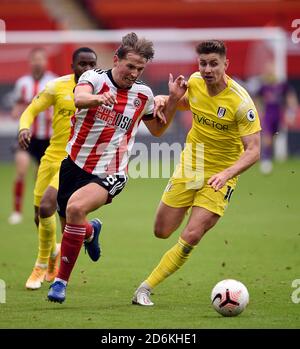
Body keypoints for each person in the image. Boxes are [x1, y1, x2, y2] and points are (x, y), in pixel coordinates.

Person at [46, 32, 183, 303]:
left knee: (75, 209)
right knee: (72, 224)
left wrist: (175, 100)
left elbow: (157, 130)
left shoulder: (143, 95)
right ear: (116, 59)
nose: (134, 73)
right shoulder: (93, 79)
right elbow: (79, 98)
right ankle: (91, 230)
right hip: (74, 166)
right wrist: (99, 99)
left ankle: (60, 283)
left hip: (111, 171)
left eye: (140, 69)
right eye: (130, 66)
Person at [132, 40, 261, 306]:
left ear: (226, 64)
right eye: (203, 63)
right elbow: (181, 105)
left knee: (191, 234)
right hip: (192, 163)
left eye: (214, 63)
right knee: (161, 230)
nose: (207, 69)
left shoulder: (241, 103)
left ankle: (145, 288)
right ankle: (191, 210)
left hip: (220, 173)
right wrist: (168, 98)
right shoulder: (194, 82)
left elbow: (254, 150)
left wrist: (227, 174)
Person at [18, 47, 98, 290]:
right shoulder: (57, 86)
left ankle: (41, 265)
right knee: (40, 217)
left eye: (91, 64)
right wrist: (24, 127)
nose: (87, 69)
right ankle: (70, 243)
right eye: (82, 64)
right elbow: (31, 109)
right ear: (72, 66)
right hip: (49, 158)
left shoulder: (103, 91)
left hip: (72, 163)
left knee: (46, 207)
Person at [8, 48, 57, 225]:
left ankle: (39, 211)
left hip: (47, 137)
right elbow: (17, 107)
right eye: (34, 59)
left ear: (46, 61)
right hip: (26, 135)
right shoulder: (23, 83)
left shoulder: (53, 81)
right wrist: (17, 113)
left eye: (41, 59)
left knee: (39, 178)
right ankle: (16, 212)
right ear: (30, 62)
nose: (38, 62)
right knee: (21, 171)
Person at [255, 61, 298, 174]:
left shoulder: (281, 85)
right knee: (267, 138)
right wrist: (259, 111)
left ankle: (269, 157)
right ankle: (265, 160)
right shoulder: (263, 86)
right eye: (268, 70)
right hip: (268, 116)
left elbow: (290, 96)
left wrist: (291, 110)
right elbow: (257, 99)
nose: (270, 71)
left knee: (275, 137)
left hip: (278, 116)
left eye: (272, 69)